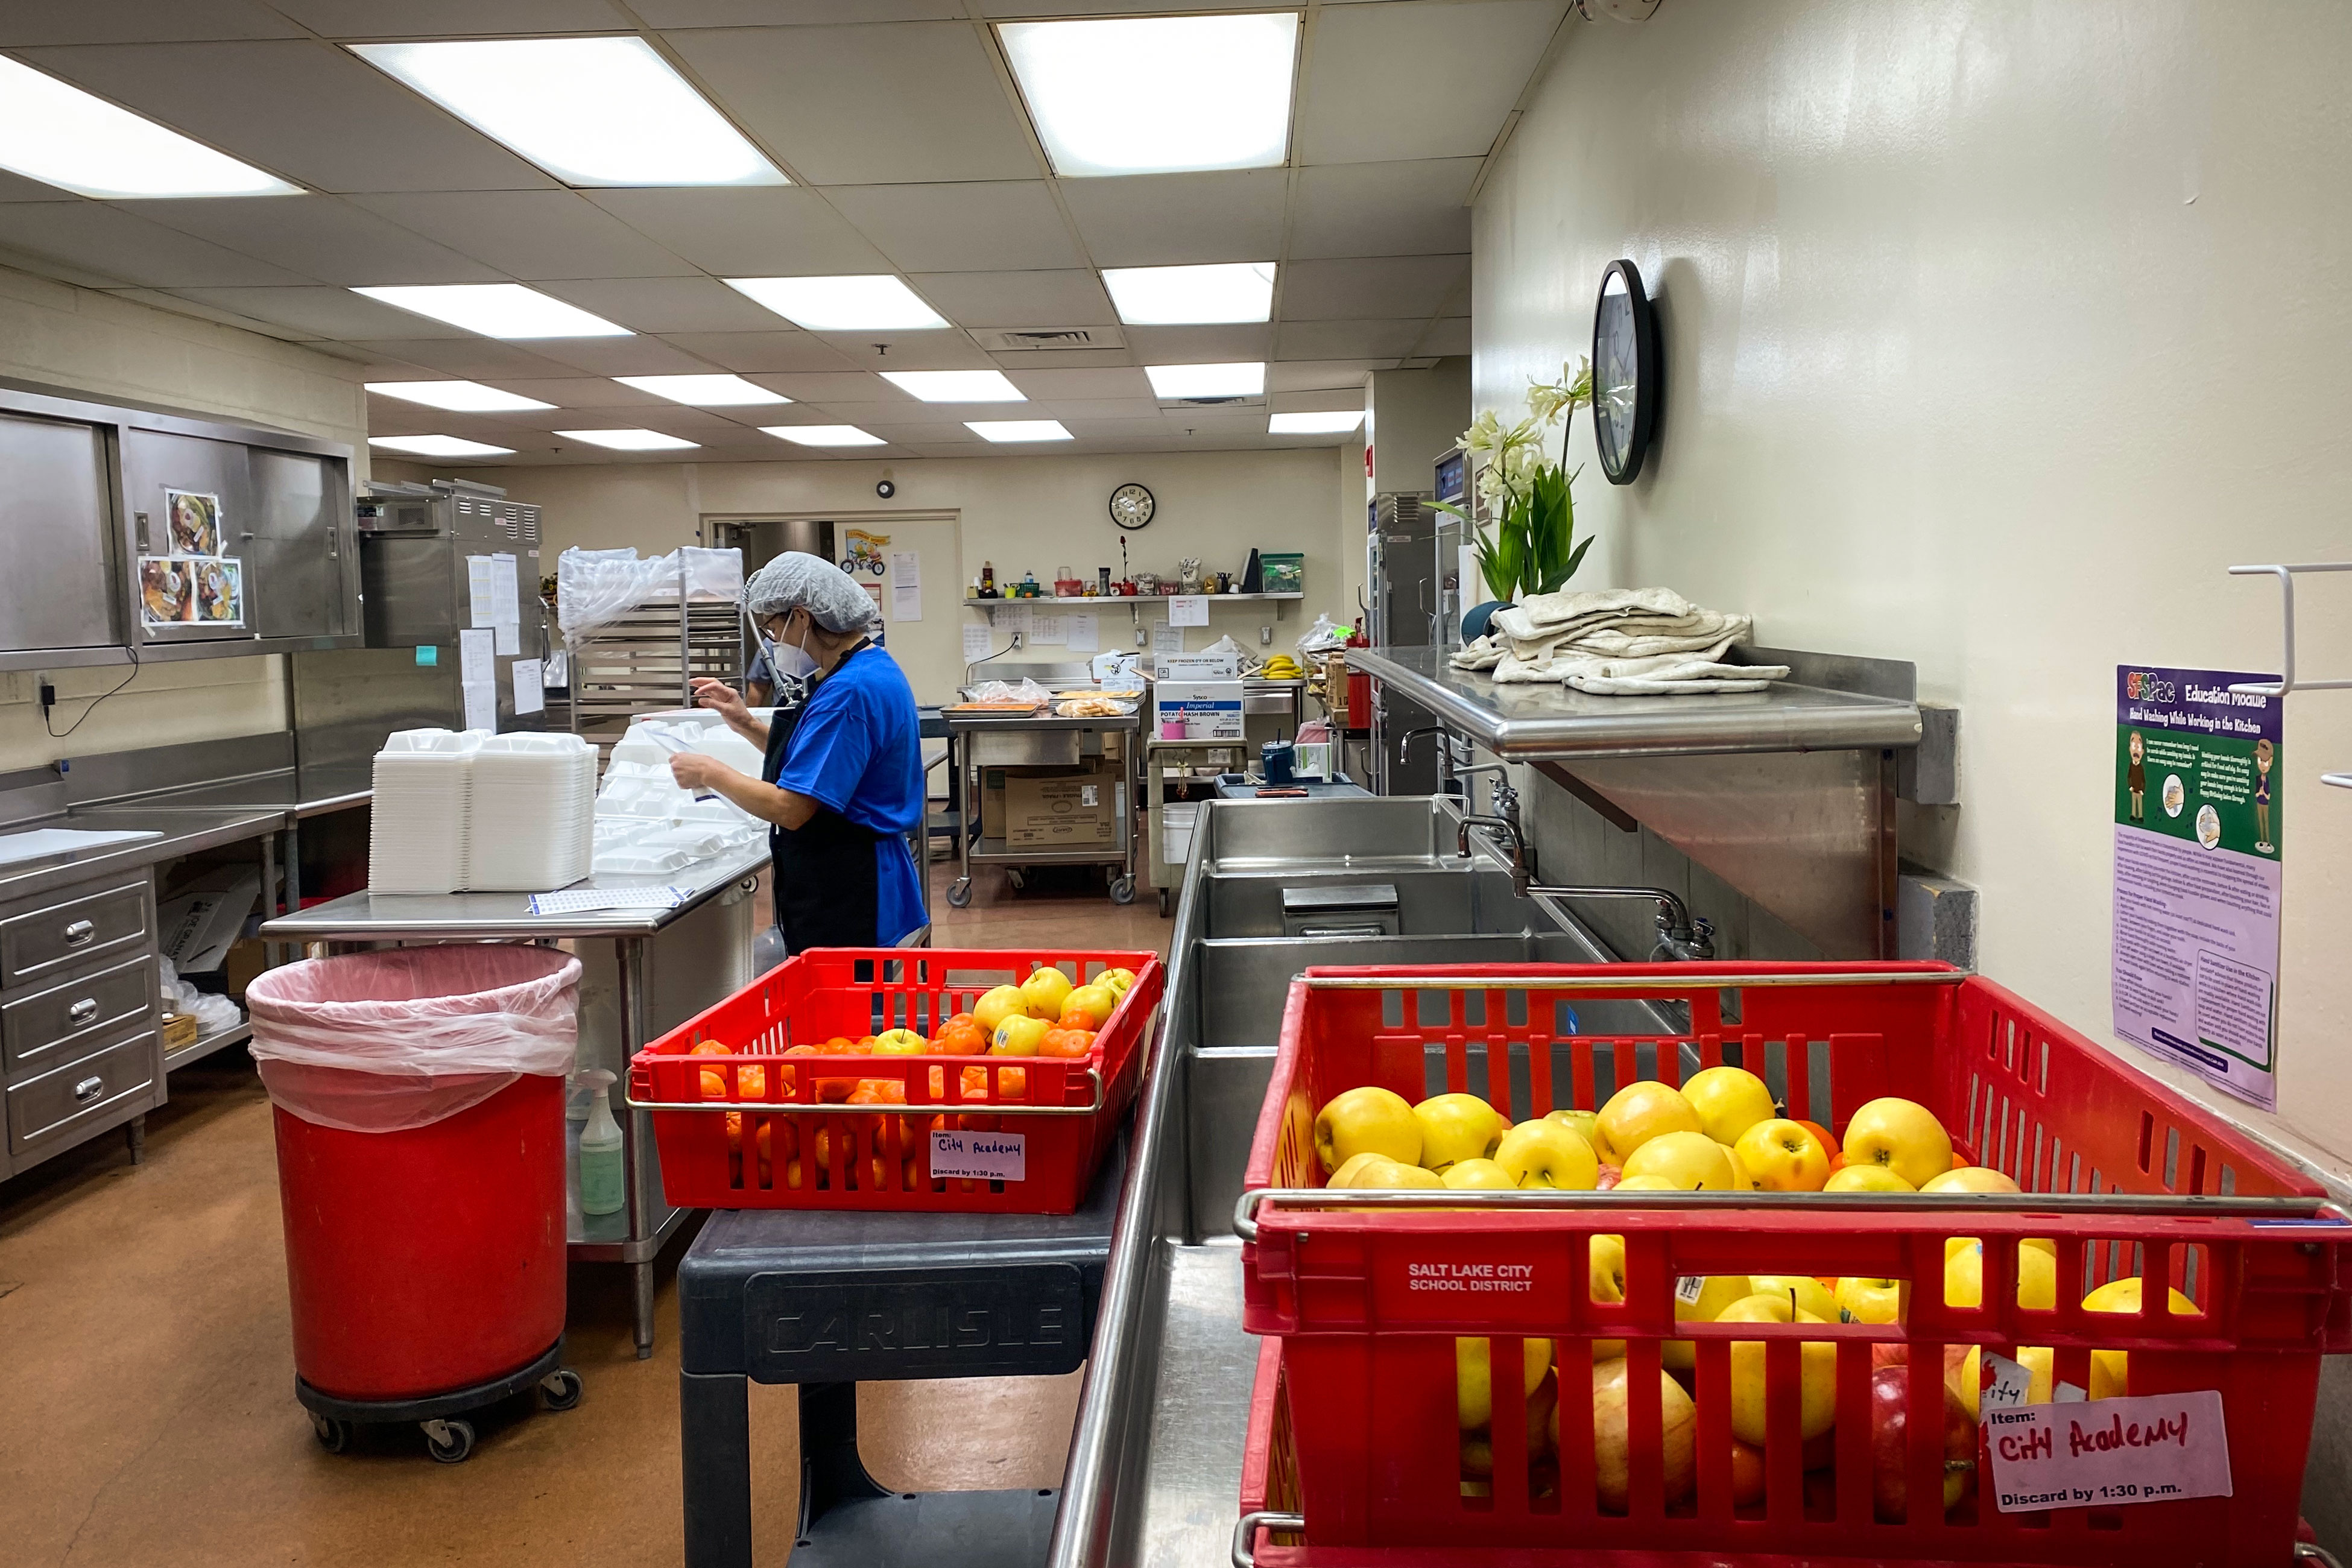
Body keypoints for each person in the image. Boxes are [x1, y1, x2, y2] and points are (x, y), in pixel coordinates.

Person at [668, 552, 925, 953]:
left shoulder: (849, 694)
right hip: (855, 873)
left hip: (849, 887)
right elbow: (821, 760)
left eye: (773, 628)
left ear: (801, 617)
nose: (774, 642)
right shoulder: (869, 668)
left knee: (844, 1009)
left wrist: (710, 773)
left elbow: (792, 808)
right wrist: (746, 722)